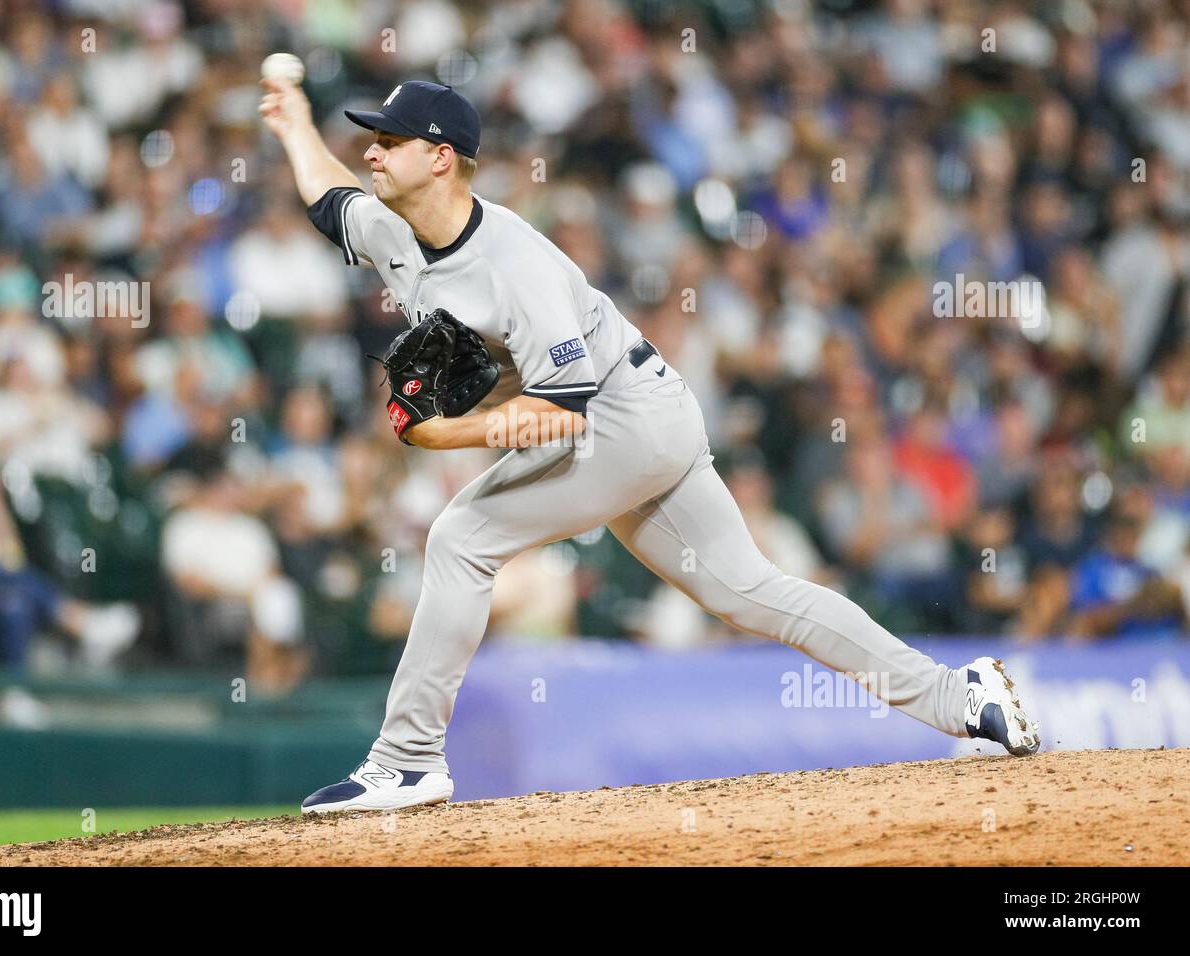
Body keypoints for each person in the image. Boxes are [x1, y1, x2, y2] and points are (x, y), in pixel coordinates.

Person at [259, 77, 1041, 814]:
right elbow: (329, 199)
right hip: (646, 416)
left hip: (619, 418)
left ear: (439, 158)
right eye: (372, 139)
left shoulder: (513, 262)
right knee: (748, 592)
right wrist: (295, 123)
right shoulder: (394, 229)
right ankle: (958, 695)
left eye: (389, 140)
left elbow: (564, 414)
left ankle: (408, 758)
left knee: (462, 538)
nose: (371, 152)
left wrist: (446, 433)